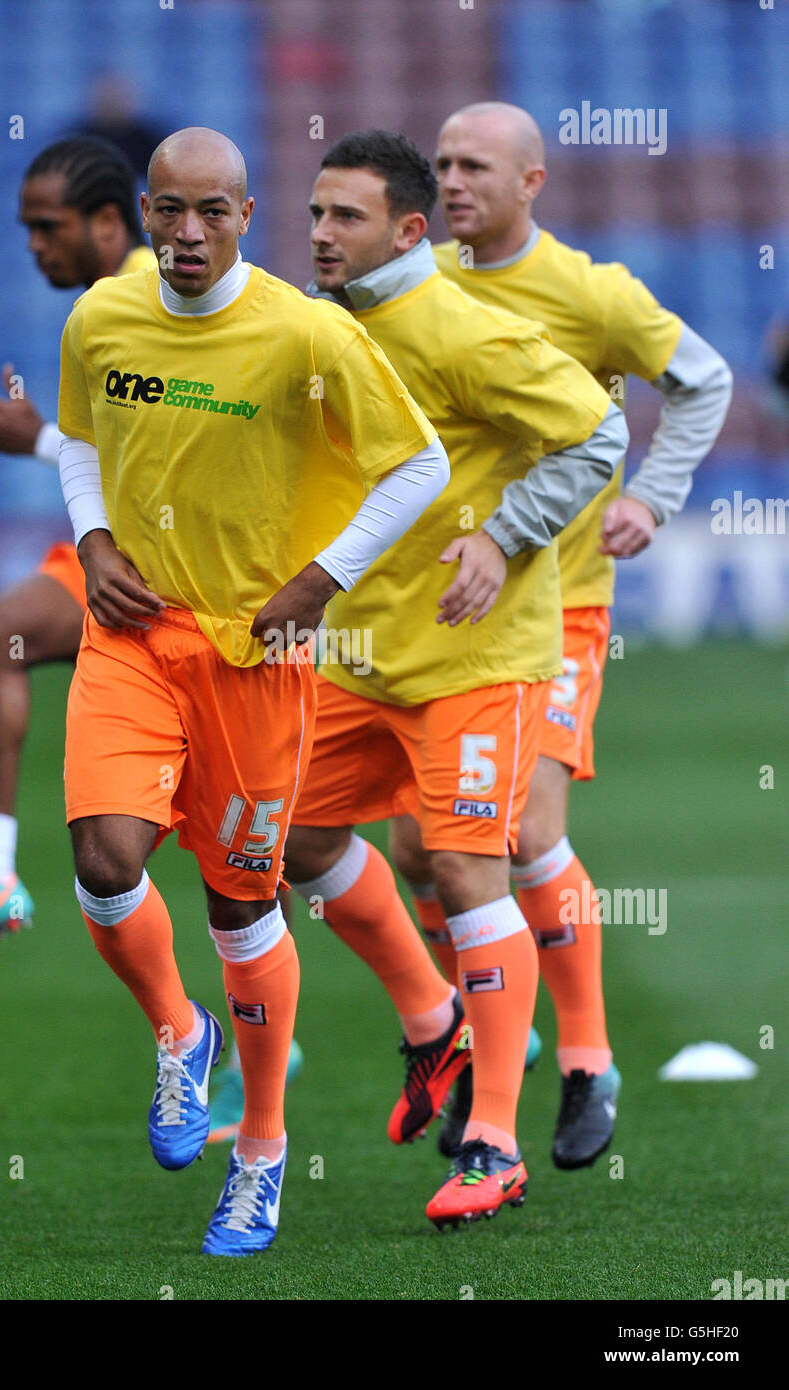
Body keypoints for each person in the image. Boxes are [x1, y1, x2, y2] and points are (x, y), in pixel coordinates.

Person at [56, 127, 452, 1255]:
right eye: (168, 211)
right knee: (103, 857)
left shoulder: (304, 332)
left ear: (244, 213)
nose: (186, 235)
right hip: (133, 635)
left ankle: (263, 1150)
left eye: (211, 213)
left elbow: (418, 463)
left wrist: (322, 581)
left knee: (242, 901)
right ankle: (181, 1036)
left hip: (257, 656)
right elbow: (81, 436)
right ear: (144, 209)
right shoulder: (101, 318)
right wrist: (89, 539)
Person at [283, 130, 628, 1227]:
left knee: (474, 867)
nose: (322, 233)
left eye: (346, 217)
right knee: (293, 843)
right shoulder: (315, 322)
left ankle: (495, 1140)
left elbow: (598, 430)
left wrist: (506, 534)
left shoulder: (466, 329)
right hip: (361, 652)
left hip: (477, 656)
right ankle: (431, 1017)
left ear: (410, 229)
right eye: (317, 213)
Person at [392, 100, 731, 1166]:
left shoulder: (592, 293)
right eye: (441, 163)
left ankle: (585, 1056)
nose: (451, 181)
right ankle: (492, 1029)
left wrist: (656, 494)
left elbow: (702, 380)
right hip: (433, 610)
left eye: (475, 166)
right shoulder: (419, 282)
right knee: (420, 851)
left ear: (532, 181)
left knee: (525, 832)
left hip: (559, 603)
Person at [0, 138, 156, 954]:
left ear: (110, 221)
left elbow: (173, 455)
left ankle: (433, 1011)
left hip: (184, 577)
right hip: (115, 558)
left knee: (287, 854)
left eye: (47, 226)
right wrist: (49, 440)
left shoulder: (150, 302)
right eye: (25, 227)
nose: (32, 245)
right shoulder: (104, 304)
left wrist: (39, 440)